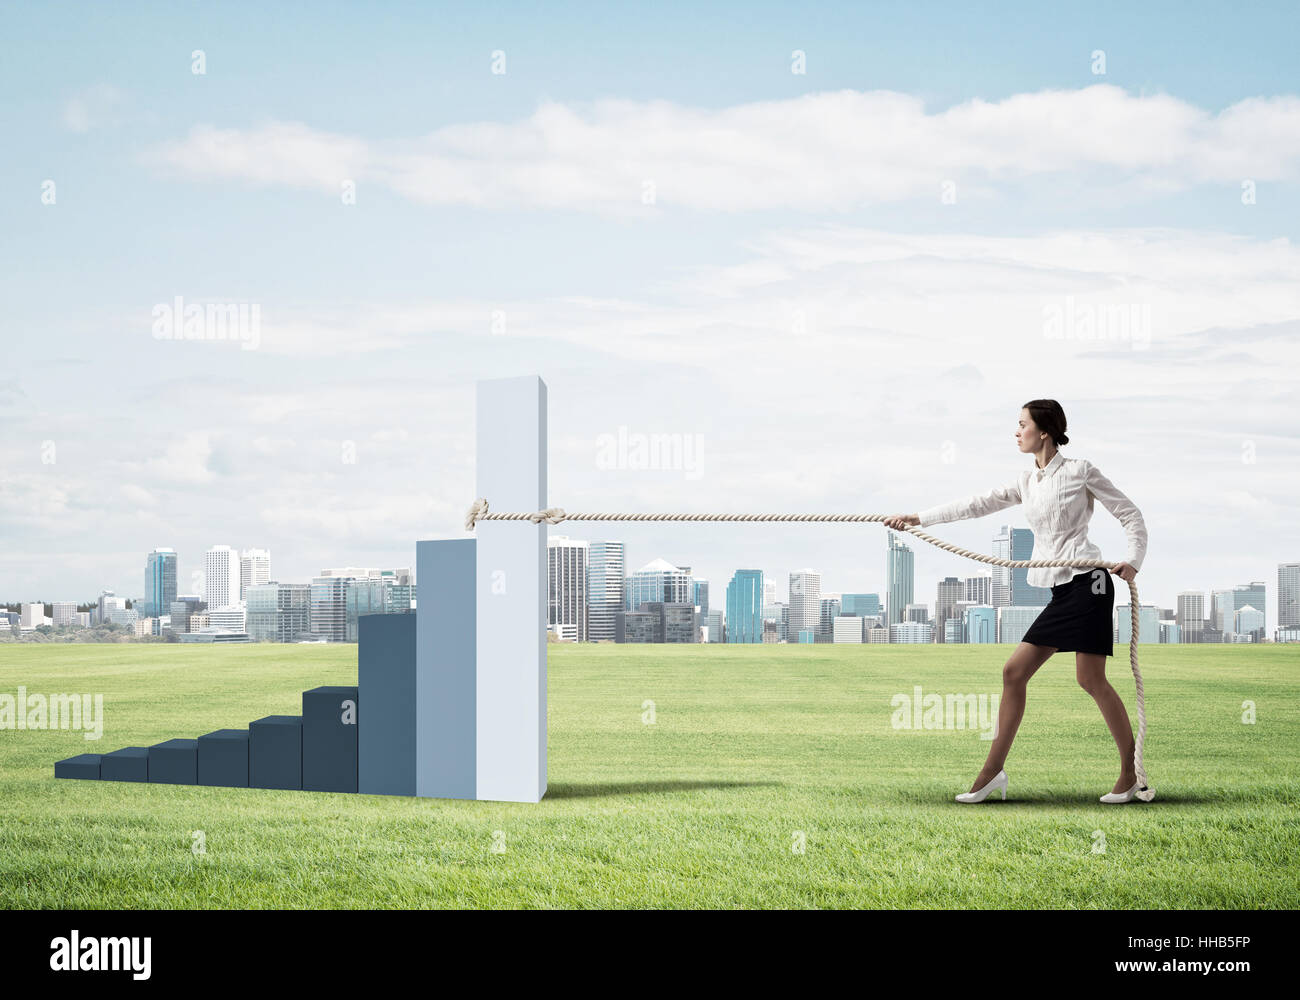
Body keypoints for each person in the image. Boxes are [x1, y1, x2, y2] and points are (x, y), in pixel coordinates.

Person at [884, 400, 1148, 804]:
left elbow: (1130, 515)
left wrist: (1131, 561)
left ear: (1043, 431)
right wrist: (918, 518)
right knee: (1016, 673)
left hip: (1091, 584)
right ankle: (993, 774)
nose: (1016, 431)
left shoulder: (1081, 471)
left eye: (1022, 424)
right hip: (1063, 589)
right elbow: (975, 504)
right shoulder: (1027, 482)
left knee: (1087, 680)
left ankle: (1130, 775)